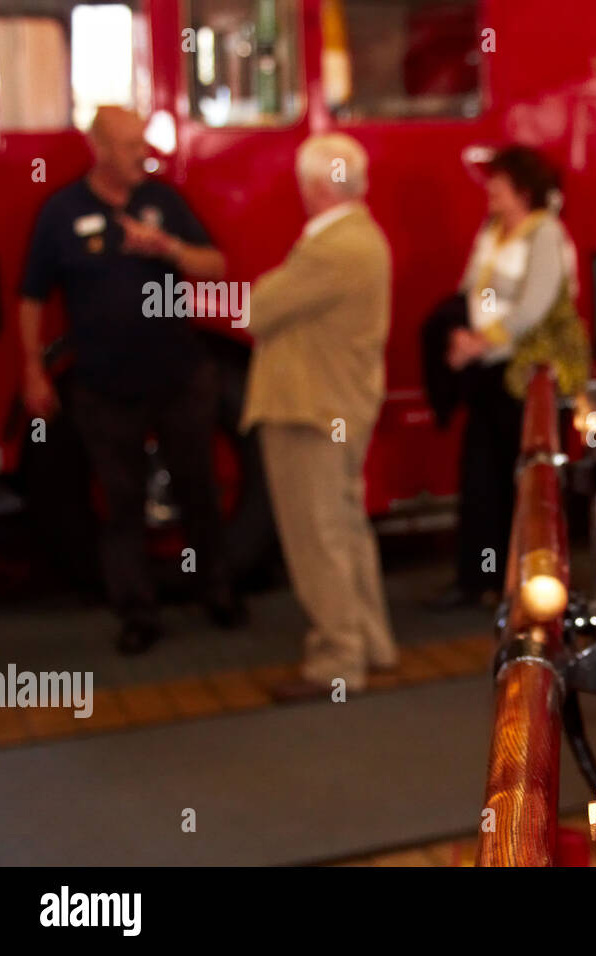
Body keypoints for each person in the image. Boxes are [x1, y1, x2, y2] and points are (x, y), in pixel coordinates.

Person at [18, 105, 242, 655]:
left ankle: (217, 592)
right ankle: (138, 614)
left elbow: (215, 264)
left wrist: (165, 246)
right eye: (129, 146)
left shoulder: (162, 202)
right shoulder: (62, 212)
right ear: (100, 150)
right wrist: (31, 368)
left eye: (143, 142)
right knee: (122, 504)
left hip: (179, 377)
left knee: (199, 491)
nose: (143, 153)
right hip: (103, 387)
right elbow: (31, 295)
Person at [241, 132, 397, 700]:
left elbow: (257, 309)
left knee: (317, 537)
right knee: (345, 529)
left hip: (311, 409)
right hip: (338, 406)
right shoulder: (361, 240)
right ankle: (371, 644)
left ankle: (337, 660)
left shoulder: (334, 246)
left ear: (313, 185)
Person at [423, 144, 589, 609]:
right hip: (492, 372)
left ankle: (529, 585)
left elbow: (535, 307)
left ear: (523, 190)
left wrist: (481, 341)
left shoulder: (545, 235)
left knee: (529, 485)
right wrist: (464, 336)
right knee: (482, 475)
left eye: (497, 186)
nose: (490, 193)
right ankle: (481, 578)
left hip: (530, 374)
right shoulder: (494, 229)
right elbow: (471, 287)